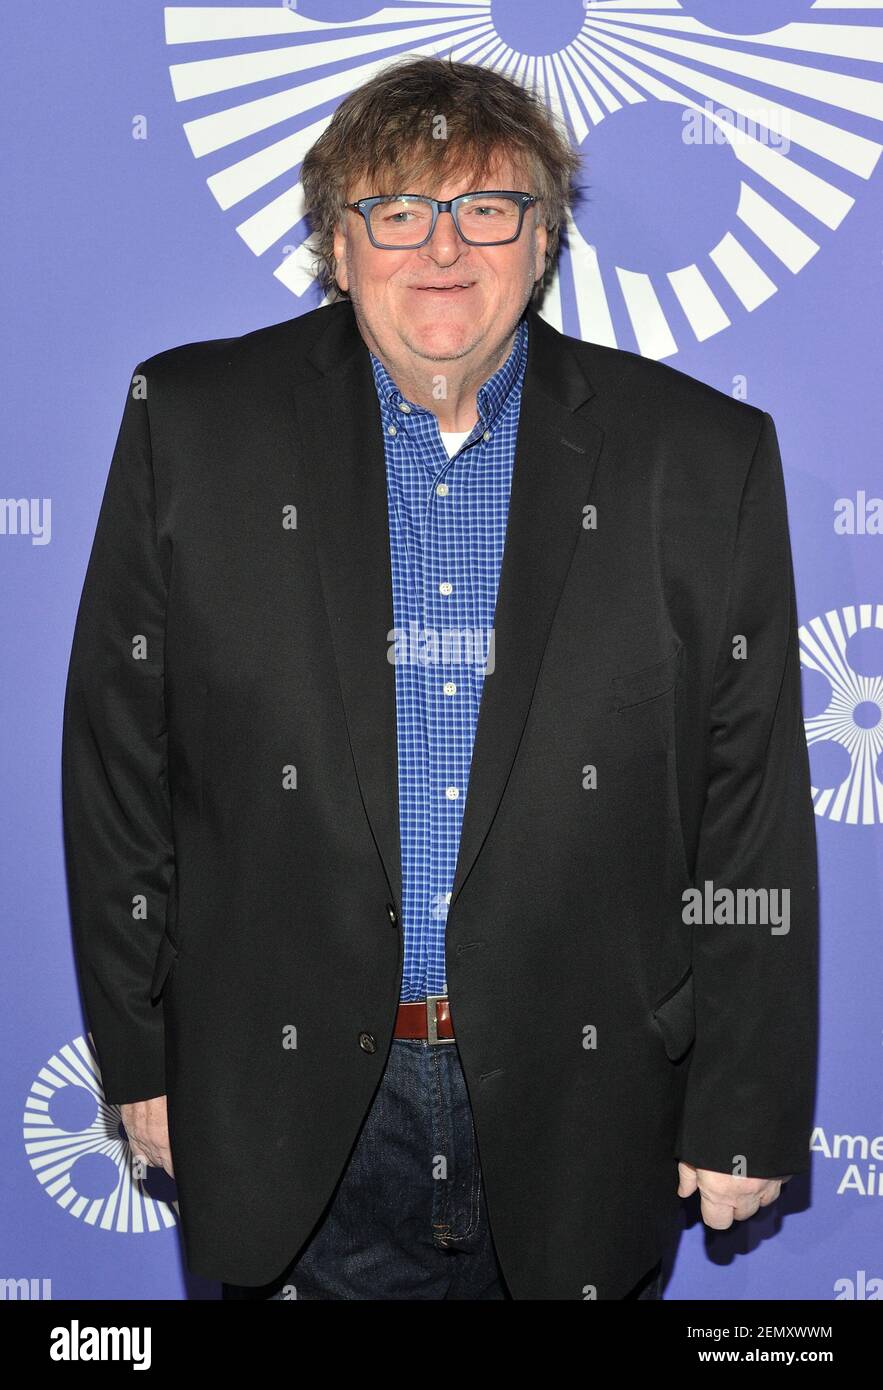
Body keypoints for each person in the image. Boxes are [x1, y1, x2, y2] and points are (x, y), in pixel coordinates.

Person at [61, 55, 818, 1301]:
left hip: (587, 1108)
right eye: (398, 208)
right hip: (282, 1106)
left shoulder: (700, 458)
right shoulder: (191, 422)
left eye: (487, 208)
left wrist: (745, 1101)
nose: (444, 246)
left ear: (543, 239)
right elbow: (117, 767)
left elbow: (749, 814)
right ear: (338, 244)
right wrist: (141, 1053)